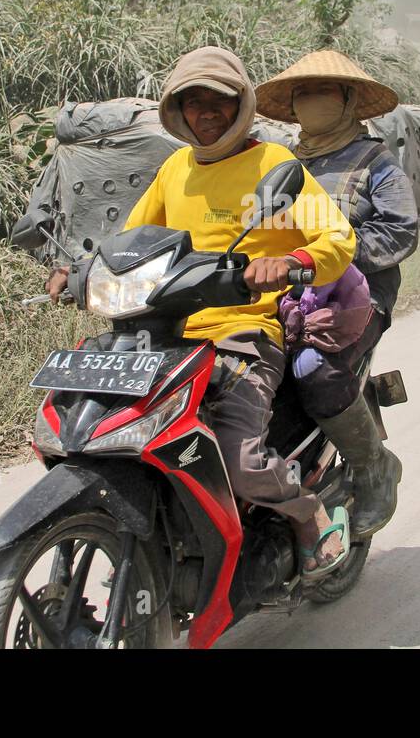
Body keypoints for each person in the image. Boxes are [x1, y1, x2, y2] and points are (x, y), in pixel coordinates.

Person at [45, 46, 358, 580]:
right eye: (193, 103)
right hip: (168, 332)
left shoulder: (274, 166)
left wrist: (289, 261)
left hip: (244, 333)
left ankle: (306, 513)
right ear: (177, 111)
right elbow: (130, 239)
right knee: (108, 425)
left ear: (240, 106)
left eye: (219, 101)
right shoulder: (175, 168)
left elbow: (338, 238)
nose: (206, 113)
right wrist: (79, 269)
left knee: (237, 460)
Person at [255, 50, 419, 538]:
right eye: (302, 93)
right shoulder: (280, 162)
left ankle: (374, 469)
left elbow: (399, 231)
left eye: (322, 92)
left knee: (315, 371)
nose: (311, 102)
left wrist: (332, 257)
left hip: (354, 300)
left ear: (348, 100)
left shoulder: (377, 164)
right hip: (281, 293)